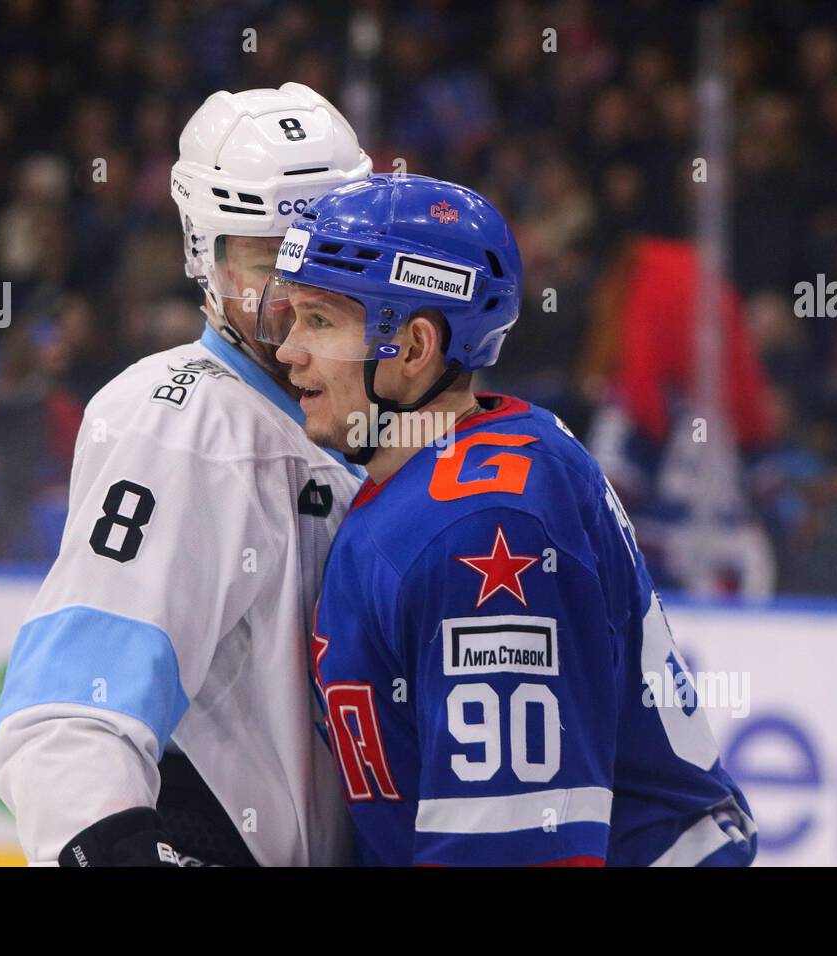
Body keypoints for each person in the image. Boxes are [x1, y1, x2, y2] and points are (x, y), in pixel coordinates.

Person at [258, 174, 757, 865]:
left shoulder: (483, 528)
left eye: (320, 321)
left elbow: (520, 850)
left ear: (412, 347)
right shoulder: (418, 482)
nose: (290, 352)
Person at [0, 84, 372, 866]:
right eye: (272, 265)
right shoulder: (181, 424)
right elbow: (70, 714)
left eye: (330, 260)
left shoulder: (369, 415)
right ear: (206, 253)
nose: (301, 298)